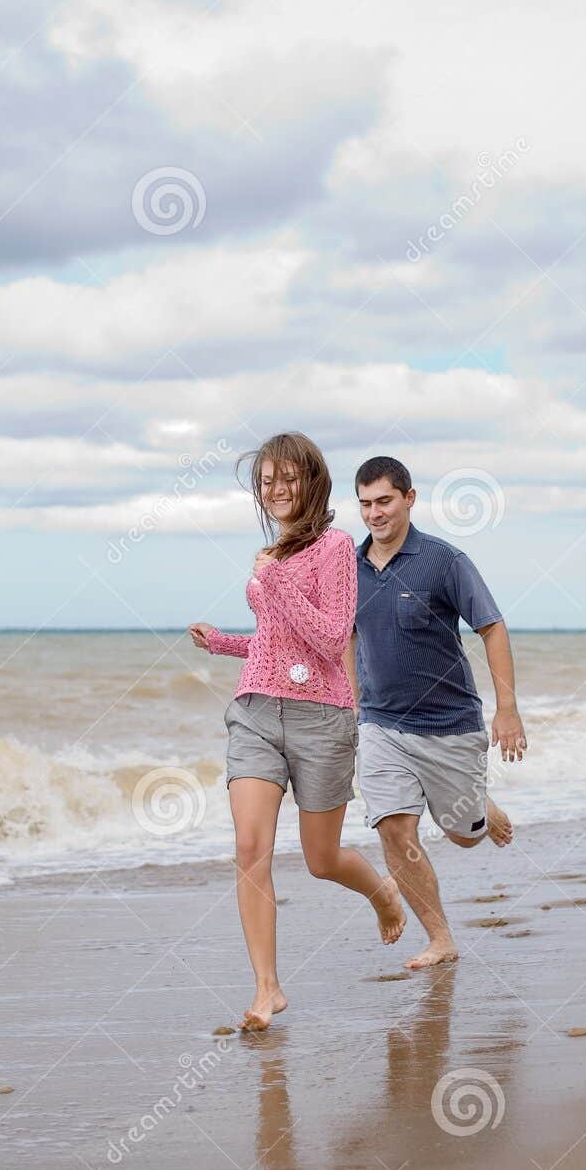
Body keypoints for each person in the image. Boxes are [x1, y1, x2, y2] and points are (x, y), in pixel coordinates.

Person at [189, 433, 405, 1030]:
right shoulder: (272, 554)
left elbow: (332, 638)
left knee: (321, 858)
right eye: (267, 482)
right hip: (256, 711)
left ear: (312, 482)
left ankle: (382, 892)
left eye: (288, 478)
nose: (277, 490)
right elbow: (276, 642)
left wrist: (275, 580)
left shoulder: (335, 548)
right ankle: (266, 989)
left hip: (321, 719)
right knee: (250, 849)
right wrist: (226, 642)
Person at [344, 456, 527, 969]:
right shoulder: (349, 569)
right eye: (365, 504)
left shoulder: (445, 561)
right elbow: (348, 638)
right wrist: (354, 708)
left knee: (462, 837)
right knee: (393, 830)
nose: (374, 514)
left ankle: (479, 808)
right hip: (381, 725)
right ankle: (440, 938)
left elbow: (492, 627)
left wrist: (507, 709)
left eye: (384, 501)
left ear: (409, 499)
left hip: (449, 727)